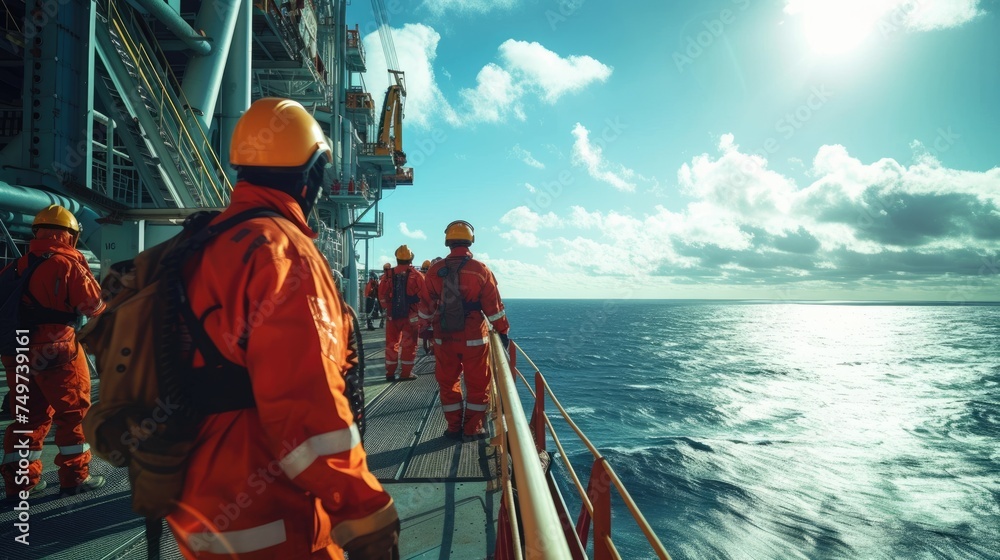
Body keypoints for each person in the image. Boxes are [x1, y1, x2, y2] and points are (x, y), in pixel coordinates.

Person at [166, 97, 398, 558]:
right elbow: (306, 408)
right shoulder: (284, 252)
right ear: (310, 175)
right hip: (265, 504)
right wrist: (366, 513)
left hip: (195, 491)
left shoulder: (200, 242)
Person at [1, 205, 107, 497]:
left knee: (27, 418)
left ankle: (20, 484)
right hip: (57, 351)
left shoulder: (15, 267)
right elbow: (93, 306)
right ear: (70, 236)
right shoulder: (67, 263)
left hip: (16, 351)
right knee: (72, 414)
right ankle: (74, 479)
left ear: (37, 233)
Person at [419, 221, 510, 442]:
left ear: (447, 242)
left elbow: (425, 307)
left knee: (448, 382)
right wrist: (503, 332)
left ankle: (453, 428)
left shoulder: (433, 271)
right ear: (470, 241)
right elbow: (494, 308)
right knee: (478, 384)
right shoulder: (480, 270)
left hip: (444, 337)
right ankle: (472, 428)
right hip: (474, 338)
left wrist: (424, 330)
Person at [378, 245, 424, 382]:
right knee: (409, 344)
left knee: (392, 343)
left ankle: (390, 373)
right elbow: (425, 295)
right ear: (411, 258)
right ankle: (406, 373)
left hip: (392, 316)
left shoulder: (387, 275)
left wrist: (388, 308)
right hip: (411, 316)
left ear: (397, 258)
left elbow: (381, 295)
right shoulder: (417, 275)